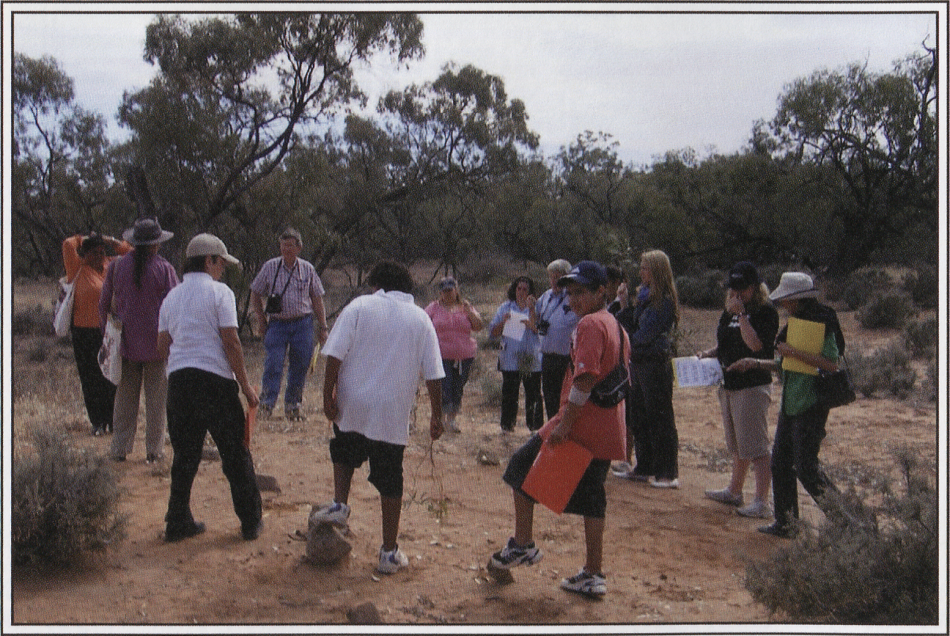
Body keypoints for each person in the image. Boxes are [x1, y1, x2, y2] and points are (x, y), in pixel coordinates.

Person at [489, 261, 630, 598]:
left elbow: (584, 377)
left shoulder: (591, 325)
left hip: (580, 423)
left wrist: (565, 424)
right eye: (571, 291)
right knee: (593, 498)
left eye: (581, 291)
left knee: (519, 470)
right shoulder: (614, 323)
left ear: (601, 292)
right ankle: (593, 573)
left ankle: (523, 544)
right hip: (607, 425)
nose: (574, 298)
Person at [321, 261, 445, 574]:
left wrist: (327, 395)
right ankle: (388, 552)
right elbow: (433, 374)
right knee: (390, 479)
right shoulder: (421, 319)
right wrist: (436, 415)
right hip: (391, 411)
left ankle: (339, 504)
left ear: (378, 285)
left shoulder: (360, 306)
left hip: (353, 402)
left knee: (345, 451)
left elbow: (335, 353)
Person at [157, 234, 263, 543]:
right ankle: (250, 521)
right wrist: (244, 385)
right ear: (210, 261)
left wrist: (176, 369)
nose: (222, 270)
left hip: (179, 381)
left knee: (184, 455)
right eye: (221, 263)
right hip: (215, 381)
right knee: (234, 453)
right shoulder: (220, 293)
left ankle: (177, 520)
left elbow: (162, 345)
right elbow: (230, 340)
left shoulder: (171, 297)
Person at [729, 272, 847, 538]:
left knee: (806, 467)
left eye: (786, 300)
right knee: (781, 463)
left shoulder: (821, 324)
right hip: (792, 402)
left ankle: (846, 518)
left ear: (797, 299)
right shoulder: (796, 323)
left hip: (812, 402)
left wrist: (794, 353)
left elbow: (831, 363)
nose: (783, 305)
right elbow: (785, 364)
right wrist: (756, 363)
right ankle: (787, 523)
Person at [697, 262, 779, 519]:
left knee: (756, 446)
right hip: (729, 383)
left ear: (755, 288)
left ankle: (762, 501)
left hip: (752, 385)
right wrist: (710, 353)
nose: (736, 294)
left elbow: (756, 345)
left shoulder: (764, 312)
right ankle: (734, 490)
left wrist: (742, 315)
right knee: (738, 444)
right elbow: (725, 341)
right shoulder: (728, 311)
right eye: (733, 289)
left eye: (742, 289)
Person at [100, 217, 179, 463]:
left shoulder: (115, 267)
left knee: (124, 400)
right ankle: (154, 451)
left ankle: (119, 448)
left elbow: (103, 305)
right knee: (156, 402)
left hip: (125, 345)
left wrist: (108, 336)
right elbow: (175, 306)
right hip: (157, 346)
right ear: (155, 244)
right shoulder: (164, 269)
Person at [613, 250, 680, 488]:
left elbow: (644, 334)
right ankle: (645, 465)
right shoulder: (644, 297)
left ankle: (667, 472)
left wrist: (627, 340)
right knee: (639, 415)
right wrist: (623, 304)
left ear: (656, 271)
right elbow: (629, 323)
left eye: (645, 268)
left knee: (659, 416)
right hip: (639, 362)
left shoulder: (664, 301)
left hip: (654, 362)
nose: (641, 272)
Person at [250, 228, 329, 421]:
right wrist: (261, 320)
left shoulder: (307, 269)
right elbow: (255, 292)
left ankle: (293, 406)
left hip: (302, 324)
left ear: (299, 248)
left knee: (300, 365)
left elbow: (317, 298)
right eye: (283, 245)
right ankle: (267, 405)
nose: (286, 249)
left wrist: (323, 327)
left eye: (290, 245)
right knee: (273, 364)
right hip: (277, 324)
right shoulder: (270, 267)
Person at [62, 232, 132, 435]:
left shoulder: (112, 265)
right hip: (83, 331)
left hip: (109, 330)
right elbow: (68, 244)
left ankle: (112, 420)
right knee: (90, 377)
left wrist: (113, 242)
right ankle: (97, 422)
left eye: (102, 251)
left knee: (110, 376)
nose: (99, 255)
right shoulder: (77, 269)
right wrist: (85, 238)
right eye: (94, 252)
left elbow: (133, 254)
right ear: (84, 254)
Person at [425, 276, 484, 433]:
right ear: (440, 293)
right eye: (445, 291)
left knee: (458, 387)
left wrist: (470, 312)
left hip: (464, 355)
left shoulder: (465, 307)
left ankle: (452, 419)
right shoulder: (433, 308)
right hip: (441, 355)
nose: (448, 294)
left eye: (450, 290)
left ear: (456, 291)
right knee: (445, 385)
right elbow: (424, 325)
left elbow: (478, 326)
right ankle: (442, 419)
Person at [488, 276, 543, 432]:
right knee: (509, 394)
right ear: (514, 289)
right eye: (519, 288)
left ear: (530, 291)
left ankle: (535, 428)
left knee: (533, 394)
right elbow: (492, 333)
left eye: (525, 289)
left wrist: (531, 321)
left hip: (531, 358)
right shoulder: (505, 308)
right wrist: (503, 322)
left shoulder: (538, 308)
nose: (521, 292)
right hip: (510, 358)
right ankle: (507, 426)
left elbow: (543, 332)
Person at [536, 260, 580, 420]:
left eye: (558, 277)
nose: (554, 281)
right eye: (551, 277)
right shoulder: (546, 296)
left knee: (565, 400)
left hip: (566, 359)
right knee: (549, 399)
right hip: (547, 356)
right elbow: (536, 318)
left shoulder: (572, 298)